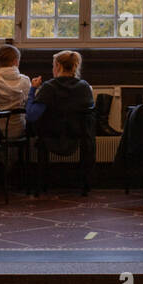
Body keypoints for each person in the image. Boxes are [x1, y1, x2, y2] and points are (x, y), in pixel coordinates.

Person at [27, 51, 96, 194]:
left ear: (57, 66)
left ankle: (40, 184)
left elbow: (32, 115)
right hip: (78, 135)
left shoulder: (49, 87)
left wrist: (32, 90)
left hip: (50, 136)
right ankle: (85, 185)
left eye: (53, 65)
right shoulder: (84, 87)